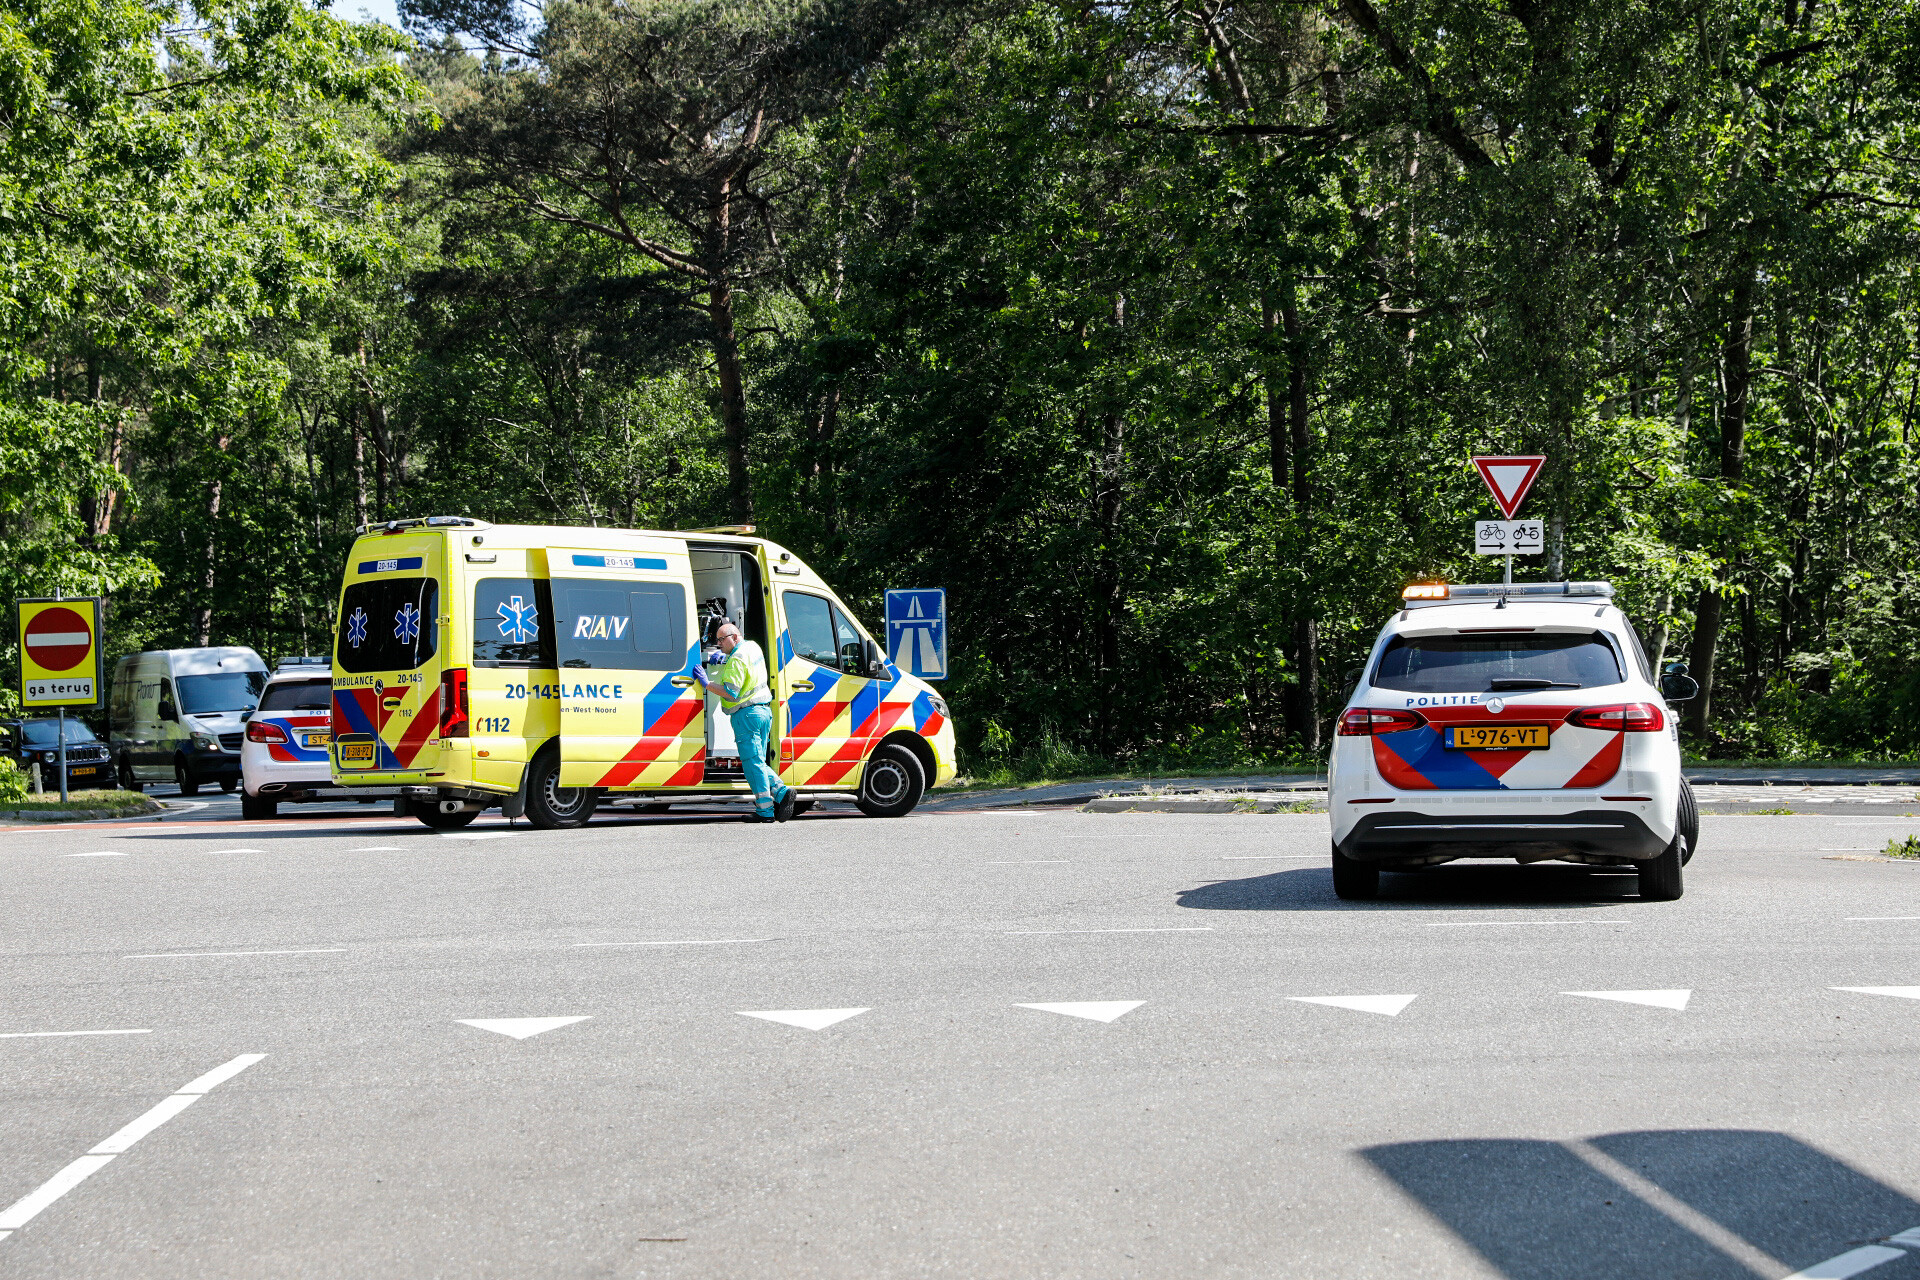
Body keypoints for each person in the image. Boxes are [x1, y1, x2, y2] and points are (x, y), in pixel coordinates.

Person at [693, 621, 796, 823]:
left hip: (746, 715)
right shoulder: (753, 647)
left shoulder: (737, 658)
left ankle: (767, 809)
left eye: (722, 640)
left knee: (752, 763)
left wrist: (707, 683)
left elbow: (731, 693)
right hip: (763, 713)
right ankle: (780, 793)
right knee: (758, 760)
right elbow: (745, 664)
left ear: (735, 637)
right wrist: (726, 657)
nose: (719, 644)